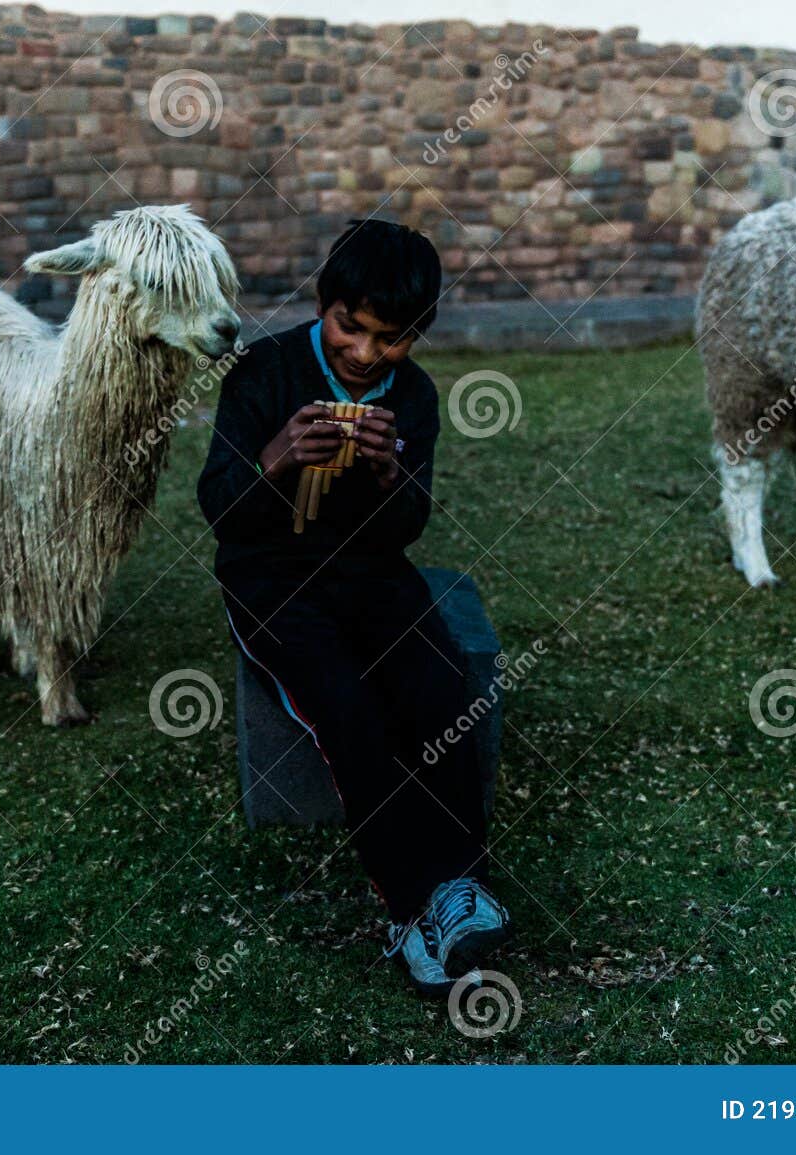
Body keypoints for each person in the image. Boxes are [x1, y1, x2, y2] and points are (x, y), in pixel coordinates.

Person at [196, 218, 510, 996]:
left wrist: (388, 470)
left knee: (442, 688)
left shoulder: (415, 396)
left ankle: (459, 885)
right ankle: (409, 908)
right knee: (347, 709)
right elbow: (220, 512)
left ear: (419, 333)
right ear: (323, 304)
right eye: (350, 327)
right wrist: (273, 461)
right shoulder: (263, 372)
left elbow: (409, 524)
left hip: (371, 570)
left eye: (391, 338)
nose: (366, 353)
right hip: (269, 578)